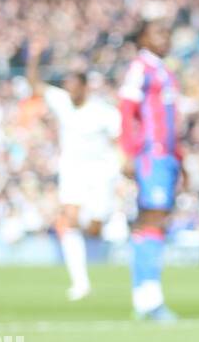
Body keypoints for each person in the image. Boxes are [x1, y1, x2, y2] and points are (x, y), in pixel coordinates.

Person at [27, 38, 121, 301]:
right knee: (68, 220)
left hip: (100, 173)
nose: (69, 90)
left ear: (85, 87)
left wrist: (122, 168)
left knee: (94, 228)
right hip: (72, 170)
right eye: (67, 85)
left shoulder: (103, 111)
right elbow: (34, 84)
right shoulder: (61, 101)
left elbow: (119, 140)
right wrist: (34, 56)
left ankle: (109, 227)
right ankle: (80, 283)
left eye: (73, 85)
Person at [118, 19, 182, 322]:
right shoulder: (140, 68)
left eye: (168, 32)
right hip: (151, 155)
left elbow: (172, 120)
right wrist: (128, 151)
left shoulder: (164, 71)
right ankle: (149, 297)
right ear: (142, 37)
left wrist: (180, 159)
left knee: (155, 222)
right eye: (159, 32)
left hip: (166, 157)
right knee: (152, 220)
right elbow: (126, 109)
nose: (165, 38)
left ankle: (145, 295)